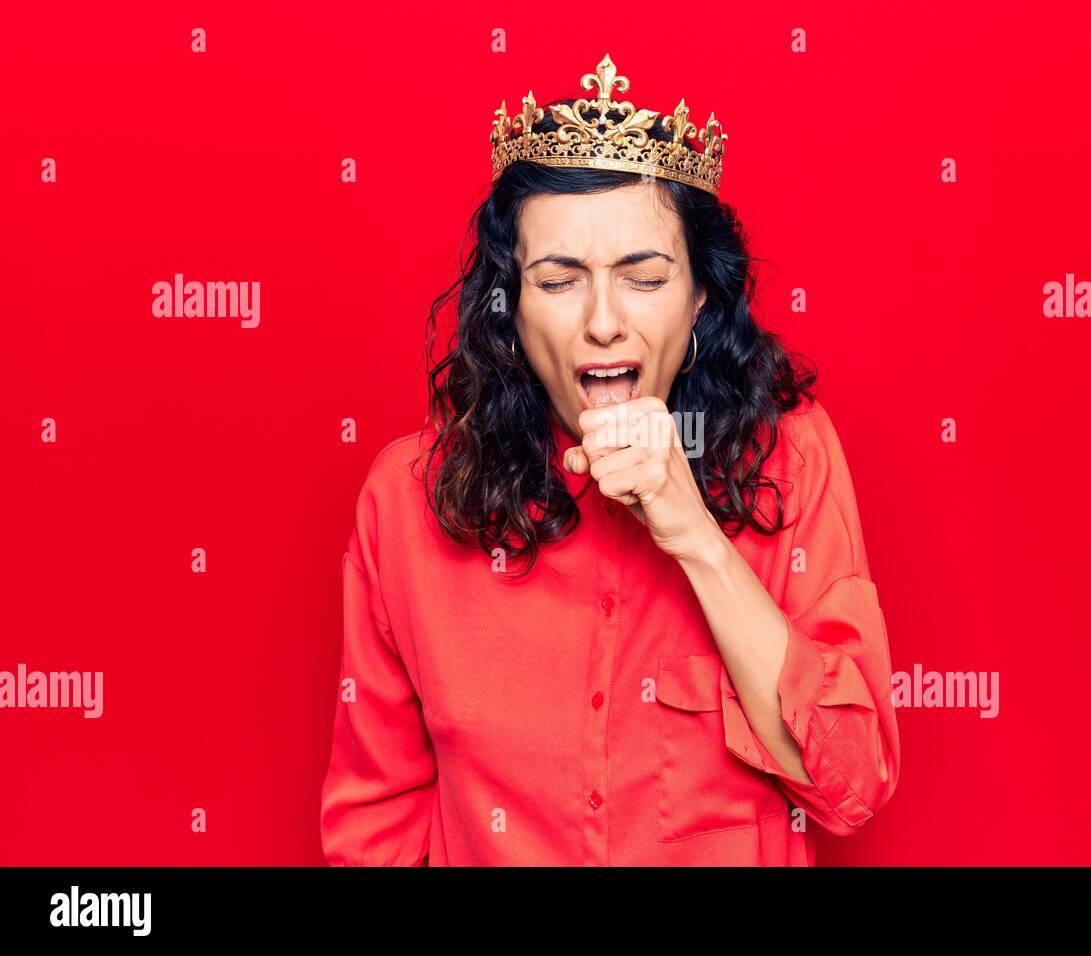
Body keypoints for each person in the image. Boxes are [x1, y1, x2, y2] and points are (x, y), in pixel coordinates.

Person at [319, 53, 900, 865]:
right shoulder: (407, 498)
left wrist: (694, 535)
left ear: (700, 296)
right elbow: (374, 828)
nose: (603, 324)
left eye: (643, 277)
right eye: (558, 281)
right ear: (510, 307)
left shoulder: (791, 458)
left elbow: (852, 783)